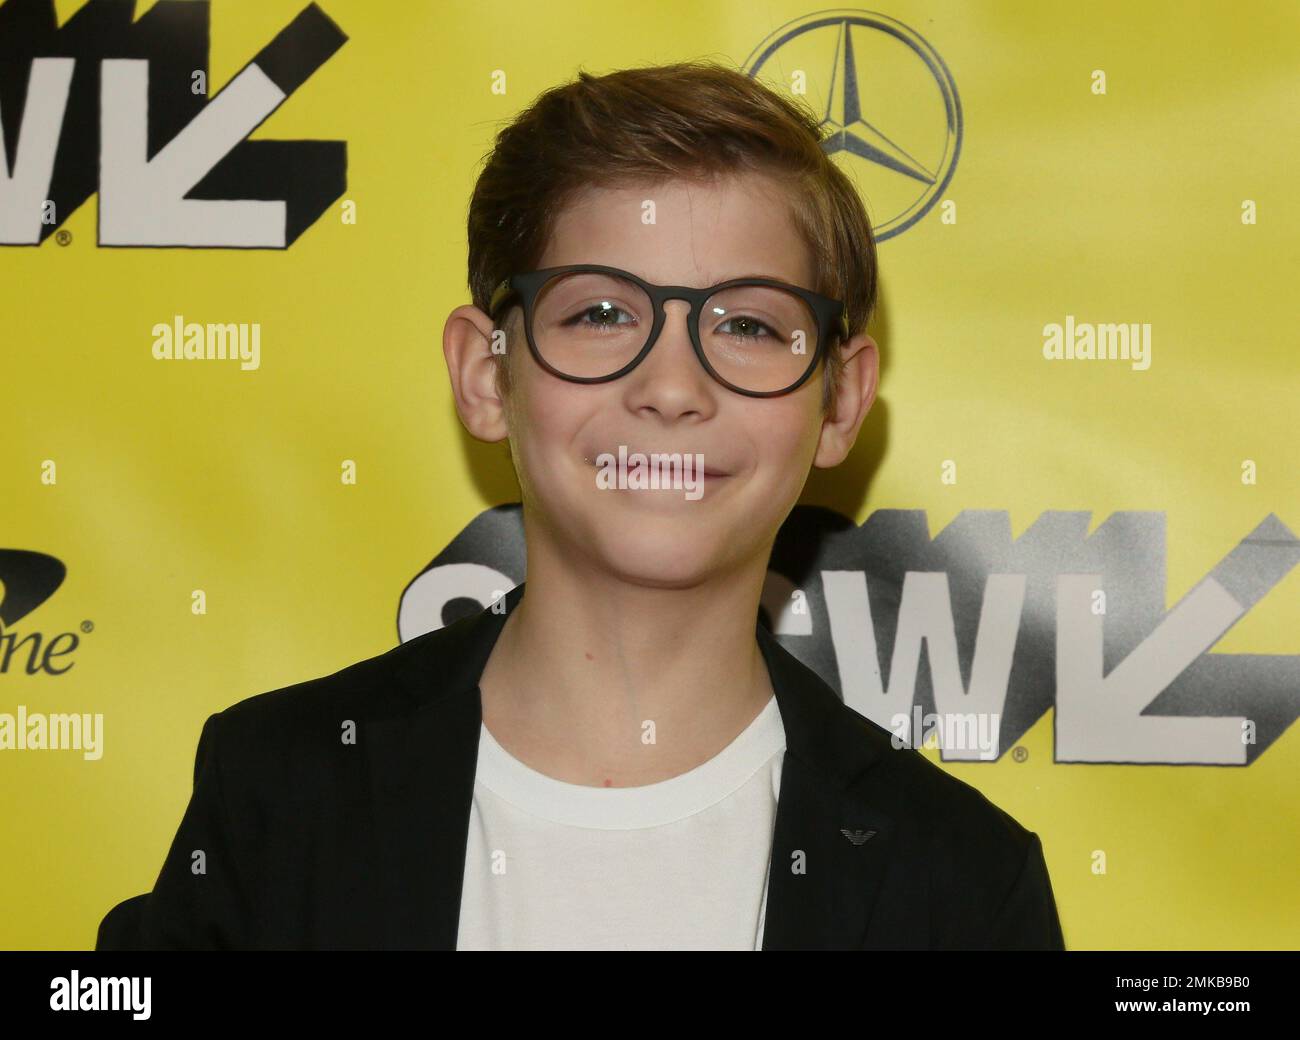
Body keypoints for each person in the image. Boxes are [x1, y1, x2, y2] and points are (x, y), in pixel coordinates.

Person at [97, 59, 1065, 951]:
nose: (672, 384)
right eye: (601, 313)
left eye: (749, 324)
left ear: (840, 400)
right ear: (485, 373)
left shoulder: (961, 883)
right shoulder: (280, 789)